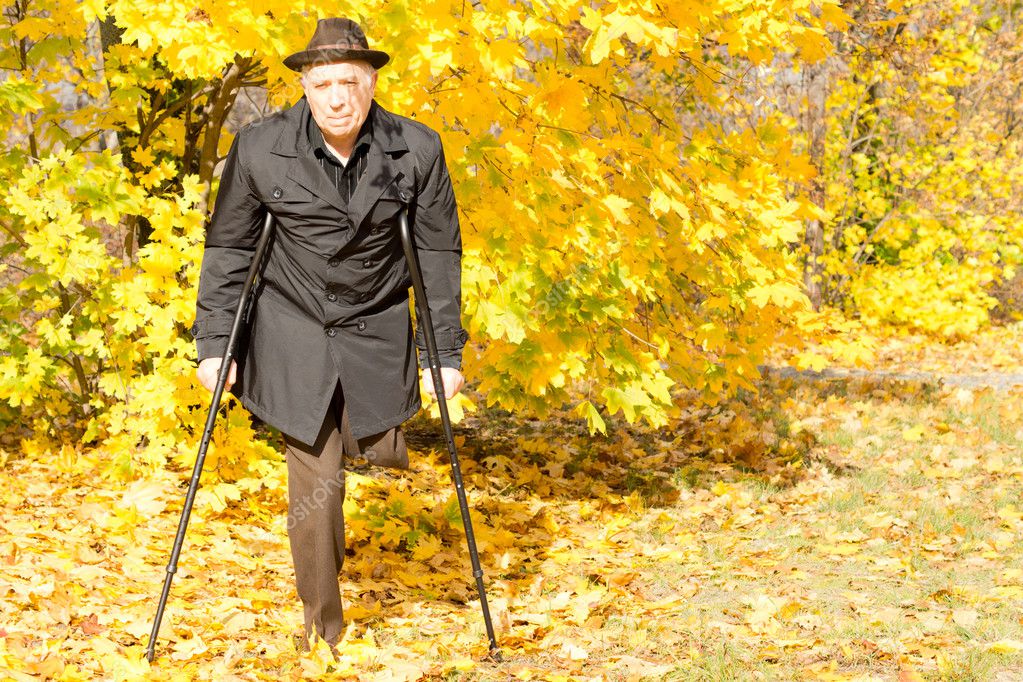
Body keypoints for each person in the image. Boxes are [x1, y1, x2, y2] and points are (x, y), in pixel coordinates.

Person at [189, 17, 468, 650]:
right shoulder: (260, 148)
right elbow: (229, 246)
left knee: (378, 445)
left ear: (371, 83)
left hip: (376, 322)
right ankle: (323, 629)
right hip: (295, 325)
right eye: (322, 84)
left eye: (349, 81)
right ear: (305, 86)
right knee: (314, 472)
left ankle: (367, 446)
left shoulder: (416, 148)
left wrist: (443, 353)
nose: (337, 98)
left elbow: (438, 251)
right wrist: (215, 345)